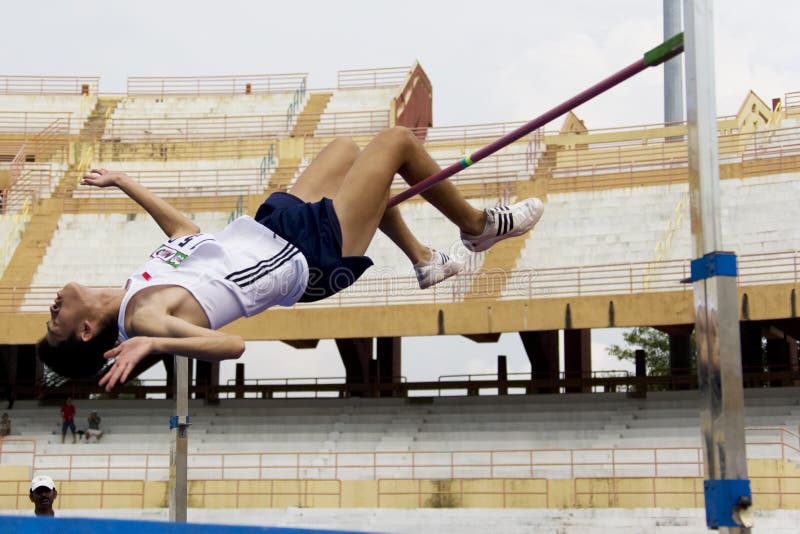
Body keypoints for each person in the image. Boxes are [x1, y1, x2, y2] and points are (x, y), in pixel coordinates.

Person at [35, 128, 544, 389]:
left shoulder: (136, 288)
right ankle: (477, 227)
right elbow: (232, 345)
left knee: (346, 152)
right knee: (397, 143)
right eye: (56, 323)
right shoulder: (144, 318)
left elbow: (186, 233)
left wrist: (125, 182)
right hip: (307, 256)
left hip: (270, 226)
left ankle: (424, 259)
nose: (53, 309)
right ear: (87, 332)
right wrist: (154, 343)